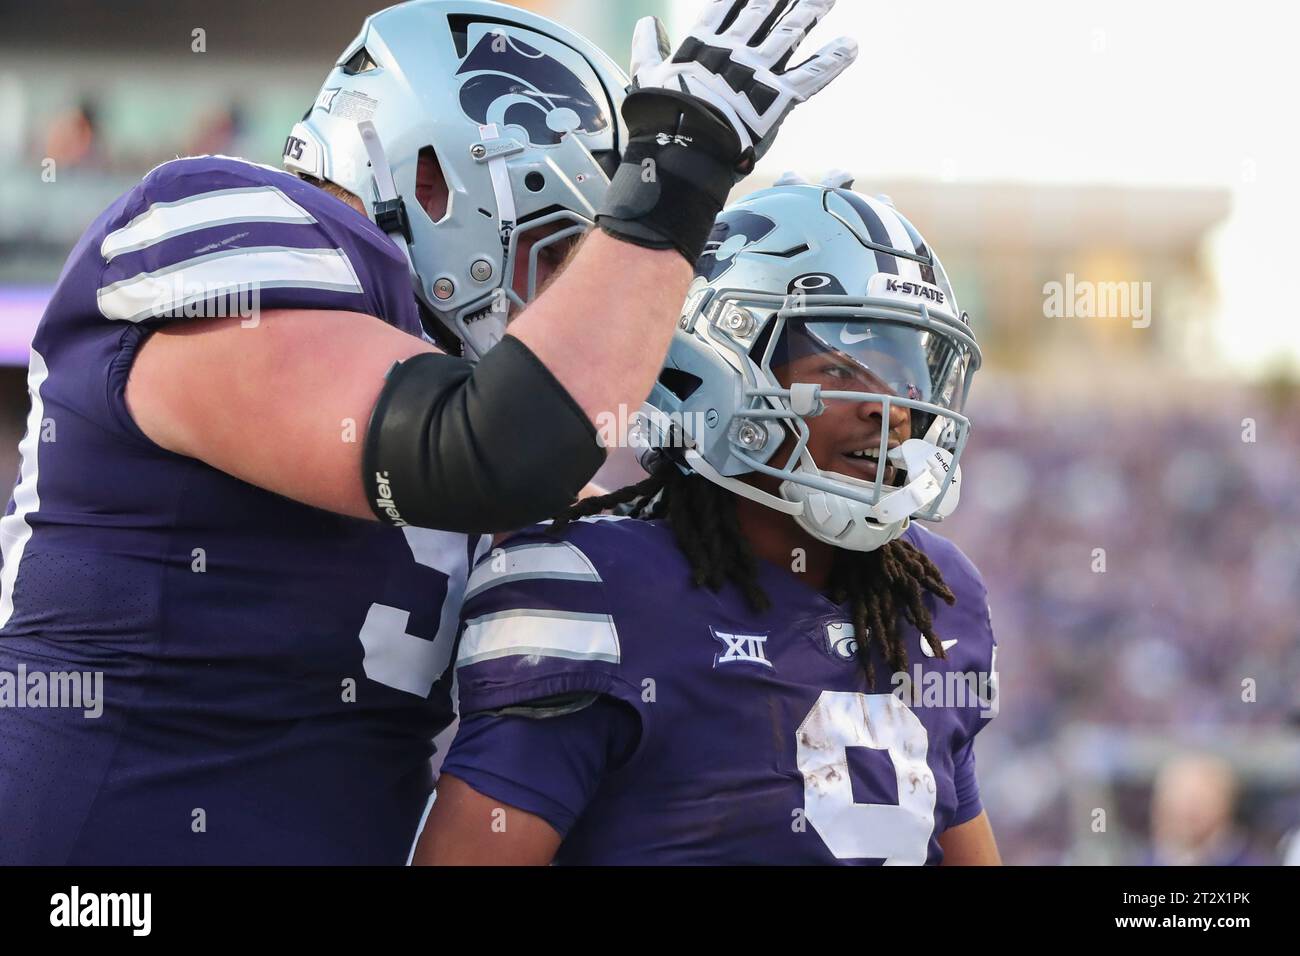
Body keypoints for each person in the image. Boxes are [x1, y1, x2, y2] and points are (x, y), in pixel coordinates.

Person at [0, 0, 857, 864]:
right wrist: (679, 168)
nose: (574, 301)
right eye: (565, 256)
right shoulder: (221, 217)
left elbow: (635, 548)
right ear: (437, 180)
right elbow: (487, 452)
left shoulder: (444, 393)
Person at [414, 179, 1001, 865]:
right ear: (720, 368)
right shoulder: (598, 588)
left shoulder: (935, 598)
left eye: (909, 376)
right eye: (845, 366)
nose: (892, 408)